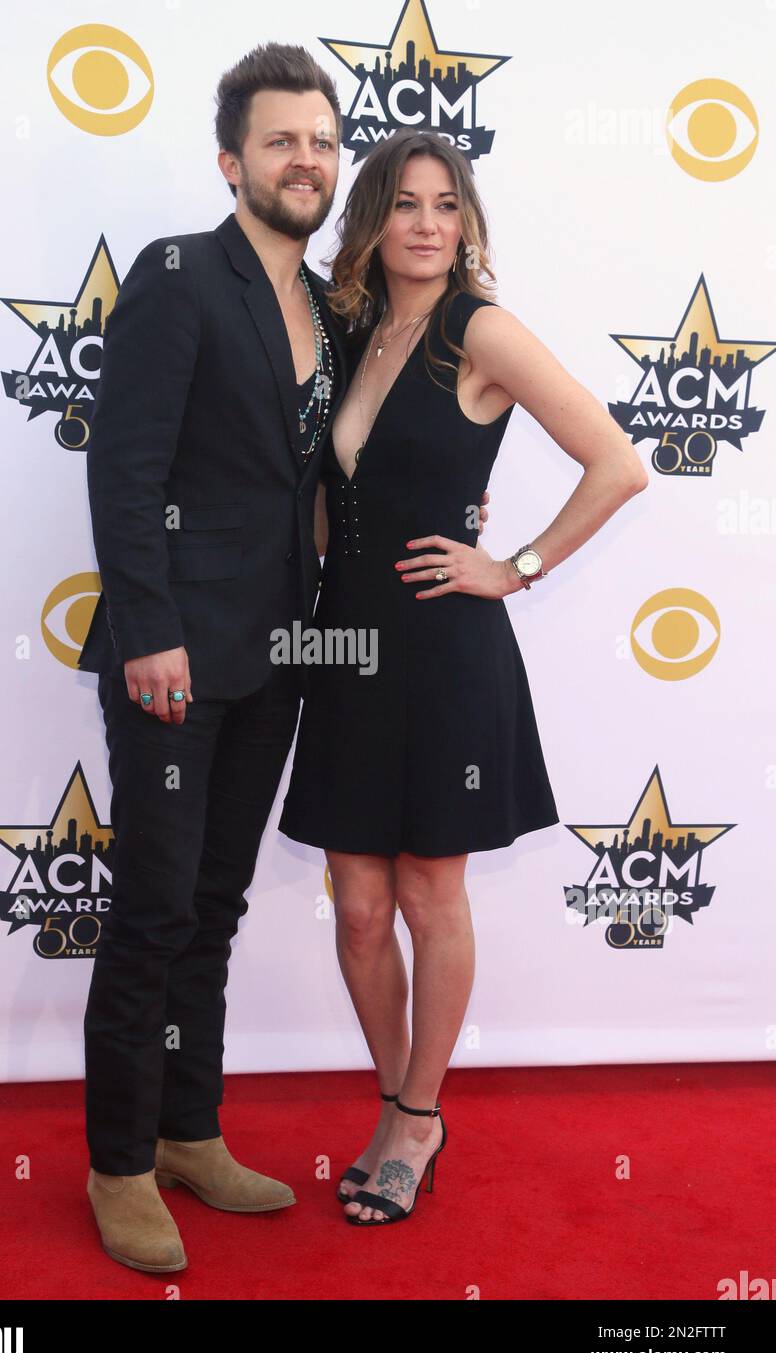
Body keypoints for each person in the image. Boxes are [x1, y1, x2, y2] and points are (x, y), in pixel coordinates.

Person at [77, 44, 491, 1271]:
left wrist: (474, 533)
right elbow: (124, 467)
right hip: (174, 657)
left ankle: (190, 1129)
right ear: (231, 159)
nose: (304, 158)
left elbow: (345, 468)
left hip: (277, 658)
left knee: (213, 902)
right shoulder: (178, 277)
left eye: (320, 139)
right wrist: (148, 630)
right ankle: (117, 1163)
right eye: (278, 140)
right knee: (151, 907)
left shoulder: (328, 304)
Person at [277, 129, 648, 1226]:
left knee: (429, 893)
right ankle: (405, 1098)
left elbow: (618, 461)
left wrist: (514, 566)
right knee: (355, 907)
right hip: (345, 643)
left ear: (466, 222)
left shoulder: (478, 331)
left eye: (448, 204)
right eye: (405, 203)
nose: (429, 223)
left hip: (443, 647)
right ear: (373, 221)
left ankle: (414, 1116)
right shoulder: (348, 331)